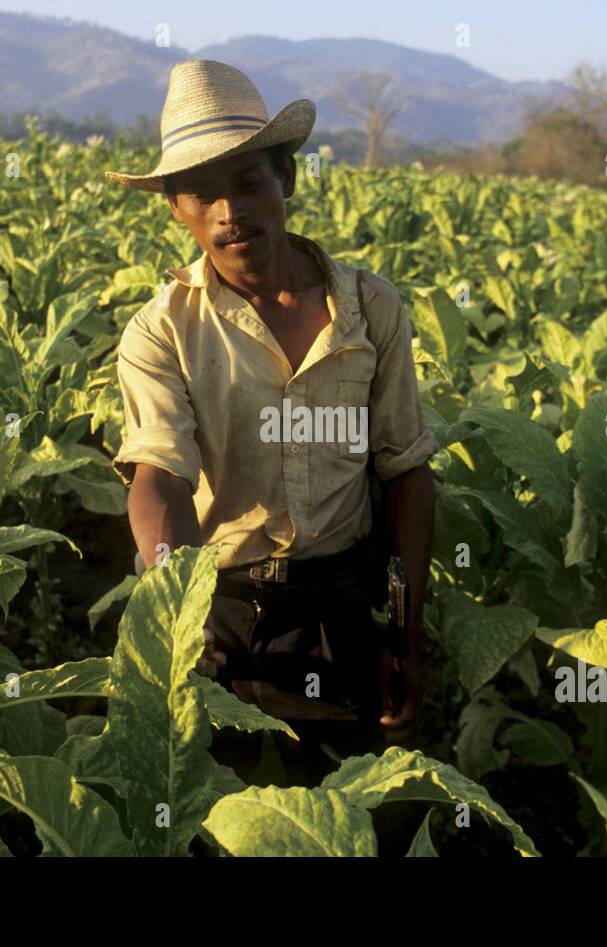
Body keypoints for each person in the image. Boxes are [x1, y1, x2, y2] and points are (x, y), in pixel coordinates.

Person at [106, 60, 437, 785]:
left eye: (247, 182)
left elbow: (406, 471)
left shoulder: (371, 309)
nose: (229, 212)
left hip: (339, 608)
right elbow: (158, 481)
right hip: (216, 610)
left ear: (285, 177)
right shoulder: (161, 331)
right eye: (202, 194)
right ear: (176, 209)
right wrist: (177, 624)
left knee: (337, 811)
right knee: (204, 806)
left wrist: (406, 631)